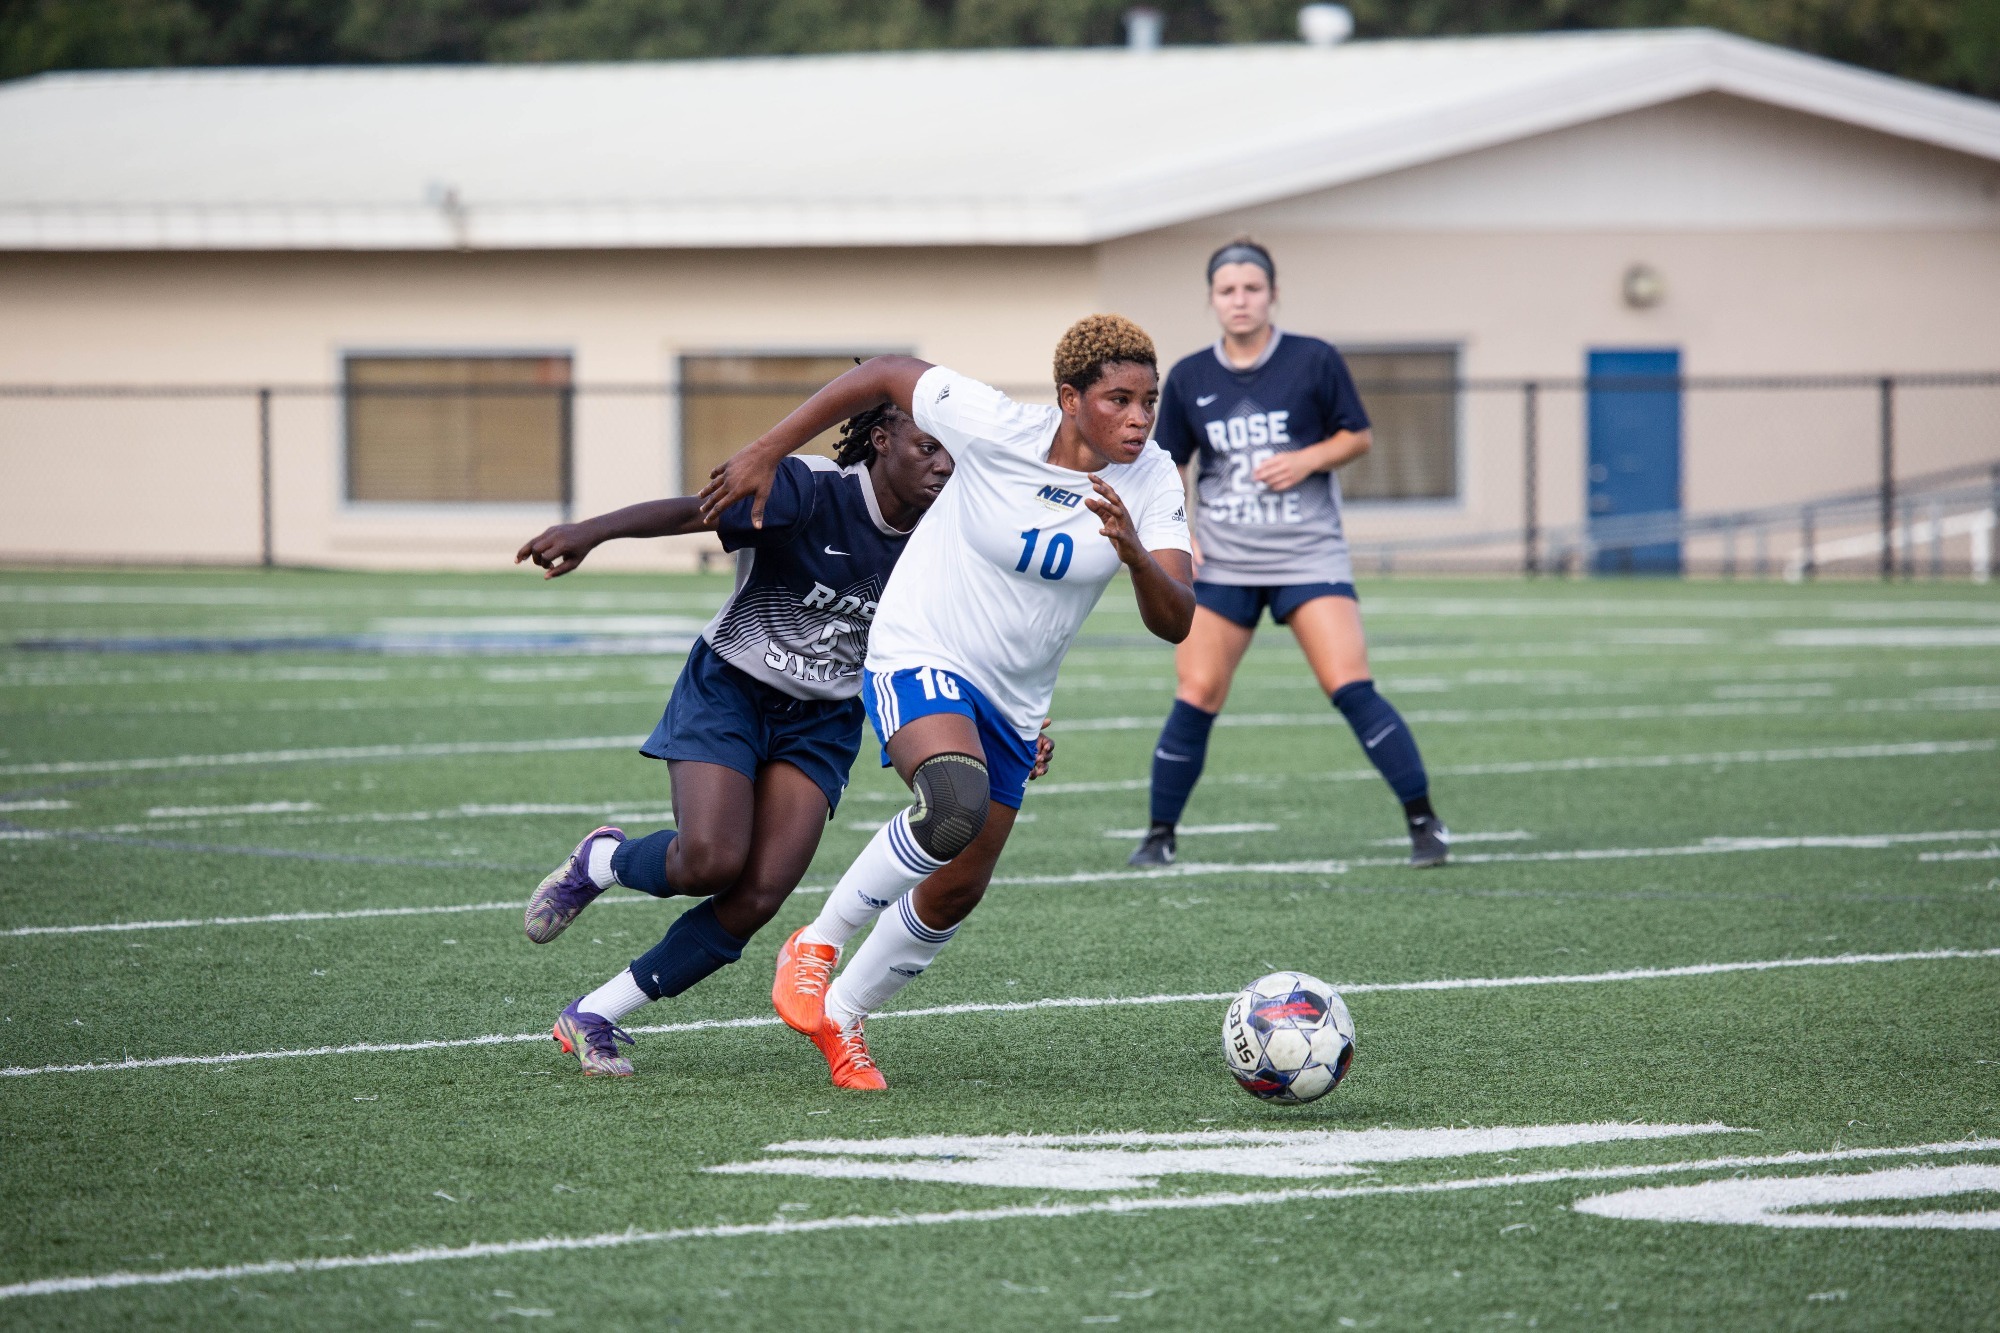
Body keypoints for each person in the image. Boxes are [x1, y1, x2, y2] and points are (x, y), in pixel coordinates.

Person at [700, 315, 1194, 1090]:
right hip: (920, 648)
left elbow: (1177, 619)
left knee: (958, 882)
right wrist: (768, 448)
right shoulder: (993, 424)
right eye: (1120, 399)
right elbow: (885, 371)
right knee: (952, 801)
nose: (1138, 418)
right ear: (1070, 398)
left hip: (1016, 699)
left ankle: (844, 1016)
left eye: (1150, 401)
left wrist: (1135, 555)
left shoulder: (1154, 477)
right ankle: (816, 944)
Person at [511, 404, 957, 1076]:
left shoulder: (946, 534)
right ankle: (602, 861)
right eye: (928, 447)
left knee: (756, 897)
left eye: (954, 454)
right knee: (710, 862)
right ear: (880, 437)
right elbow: (697, 510)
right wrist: (591, 532)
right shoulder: (810, 489)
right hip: (732, 687)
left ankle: (595, 1012)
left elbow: (965, 634)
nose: (943, 466)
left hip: (823, 719)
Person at [1128, 239, 1449, 871]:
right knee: (1197, 691)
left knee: (1350, 686)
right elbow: (1167, 466)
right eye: (1227, 290)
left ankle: (1424, 822)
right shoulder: (1191, 374)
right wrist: (1179, 530)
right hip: (1223, 561)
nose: (1240, 300)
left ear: (1273, 294)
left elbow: (1357, 436)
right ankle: (1158, 835)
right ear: (1212, 299)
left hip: (1309, 555)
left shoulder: (1313, 360)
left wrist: (1306, 458)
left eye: (1252, 288)